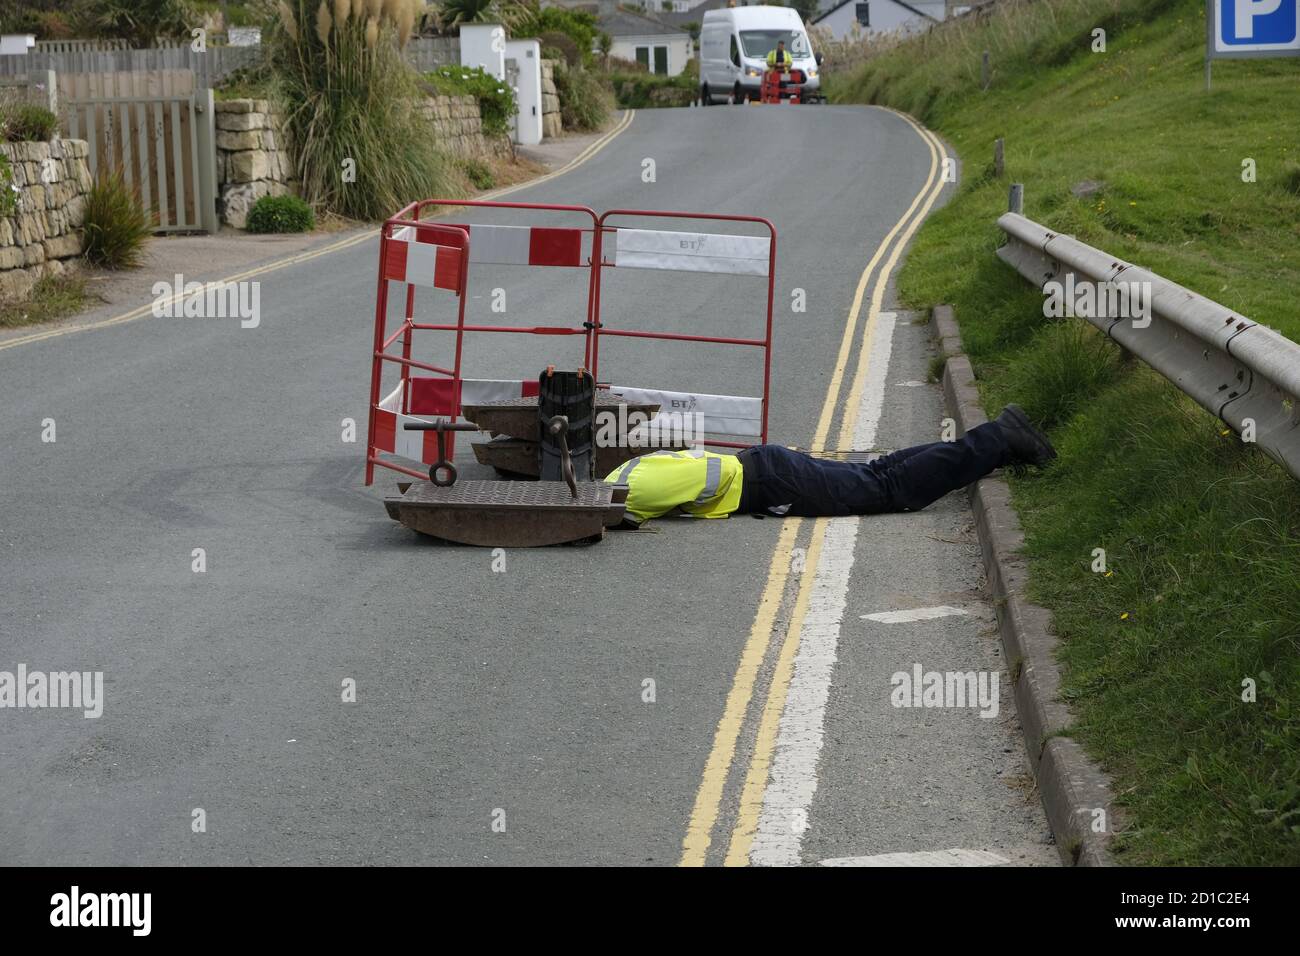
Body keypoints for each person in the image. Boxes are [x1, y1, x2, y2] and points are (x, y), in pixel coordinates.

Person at [603, 405, 1055, 526]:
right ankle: (998, 438)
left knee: (889, 491)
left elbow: (622, 516)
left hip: (771, 484)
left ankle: (996, 440)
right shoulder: (623, 474)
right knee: (880, 474)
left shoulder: (628, 495)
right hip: (764, 464)